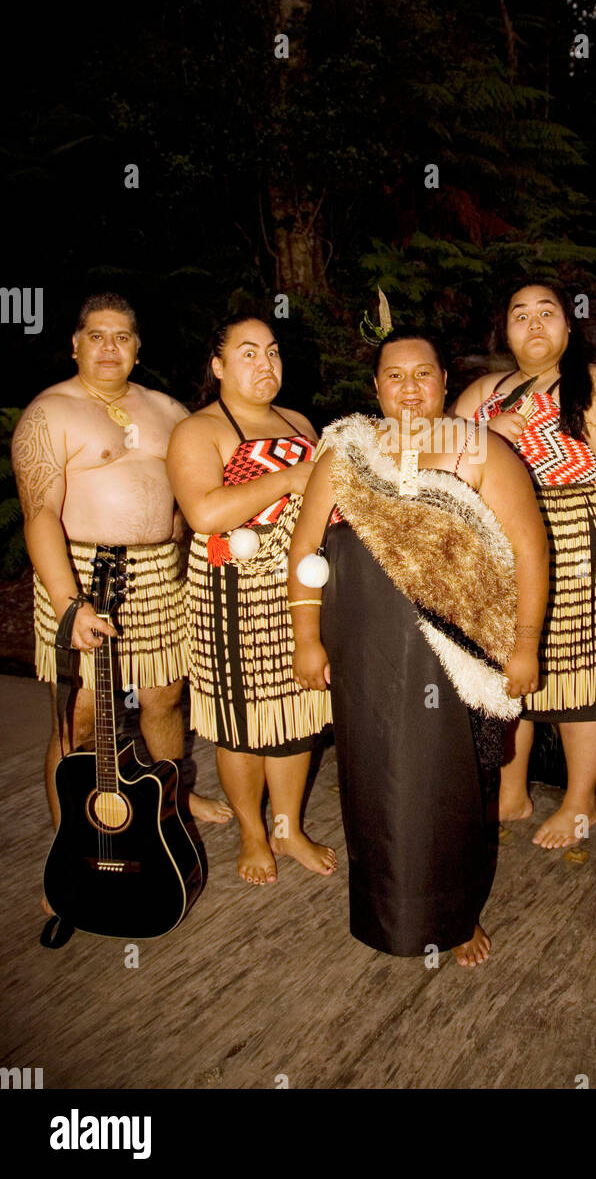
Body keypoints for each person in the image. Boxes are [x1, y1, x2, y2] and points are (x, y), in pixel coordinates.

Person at [289, 330, 549, 966]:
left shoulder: (481, 450)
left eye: (423, 374)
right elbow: (304, 553)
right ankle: (387, 912)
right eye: (394, 376)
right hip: (364, 647)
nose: (409, 387)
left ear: (443, 382)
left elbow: (529, 551)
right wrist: (305, 641)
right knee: (376, 783)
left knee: (450, 786)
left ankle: (455, 915)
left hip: (455, 653)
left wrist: (526, 647)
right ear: (376, 388)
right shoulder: (345, 451)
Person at [12, 292, 231, 896]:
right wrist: (67, 602)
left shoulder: (167, 410)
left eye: (123, 337)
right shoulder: (49, 413)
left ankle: (170, 804)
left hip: (161, 572)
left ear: (138, 348)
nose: (110, 347)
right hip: (80, 572)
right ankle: (73, 839)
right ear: (75, 344)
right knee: (79, 716)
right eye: (97, 335)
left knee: (163, 698)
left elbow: (193, 496)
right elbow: (38, 515)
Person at [452, 283, 596, 849]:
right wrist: (482, 434)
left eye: (548, 313)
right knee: (507, 674)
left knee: (582, 678)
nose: (534, 324)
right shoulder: (484, 394)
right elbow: (434, 453)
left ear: (569, 327)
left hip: (579, 542)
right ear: (504, 330)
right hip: (498, 549)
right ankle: (511, 791)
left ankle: (580, 797)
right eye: (521, 314)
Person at [166, 315, 333, 887]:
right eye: (247, 353)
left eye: (272, 351)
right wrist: (288, 480)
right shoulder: (198, 430)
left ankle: (286, 827)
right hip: (230, 592)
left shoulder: (301, 422)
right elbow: (204, 513)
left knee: (295, 712)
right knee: (241, 721)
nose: (265, 364)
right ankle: (252, 833)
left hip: (300, 588)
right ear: (217, 367)